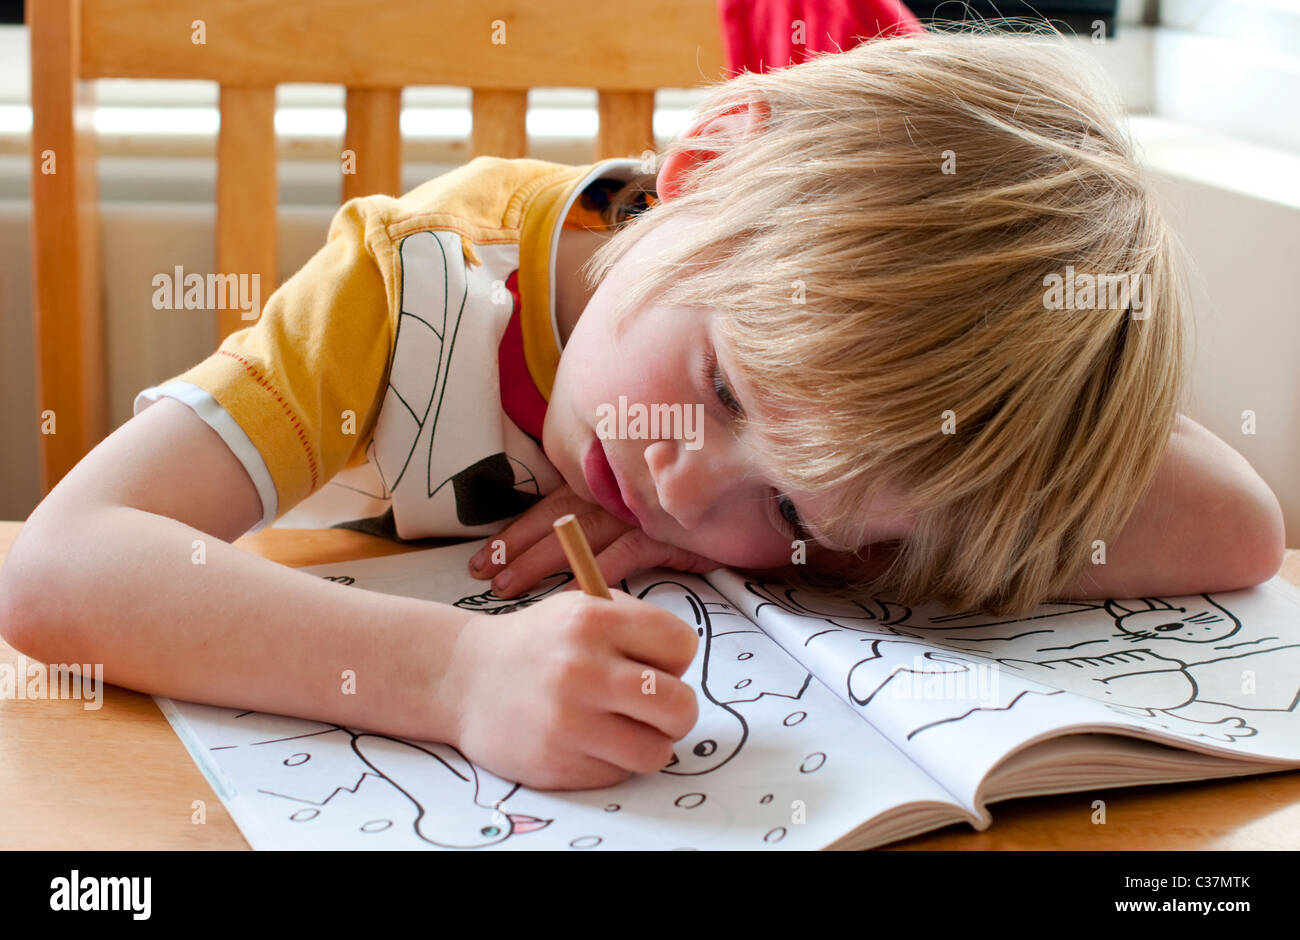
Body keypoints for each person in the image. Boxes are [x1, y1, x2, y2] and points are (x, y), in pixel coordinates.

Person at [0, 31, 1283, 791]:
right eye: (721, 386)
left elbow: (1236, 528)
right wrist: (455, 678)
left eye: (783, 503)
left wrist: (842, 506)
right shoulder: (416, 281)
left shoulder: (851, 474)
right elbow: (60, 567)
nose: (685, 488)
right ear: (709, 160)